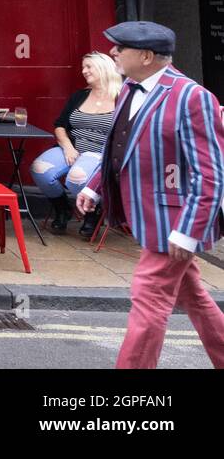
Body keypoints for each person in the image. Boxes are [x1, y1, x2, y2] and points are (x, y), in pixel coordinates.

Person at [77, 21, 224, 369]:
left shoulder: (192, 97)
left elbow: (211, 173)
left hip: (172, 221)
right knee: (194, 297)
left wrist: (188, 231)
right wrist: (94, 186)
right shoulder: (130, 87)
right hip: (145, 216)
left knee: (148, 305)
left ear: (145, 56)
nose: (112, 52)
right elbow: (119, 145)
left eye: (119, 48)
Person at [29, 52, 120, 236]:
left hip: (100, 153)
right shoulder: (80, 96)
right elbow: (60, 126)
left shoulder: (121, 98)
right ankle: (62, 208)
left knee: (76, 177)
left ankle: (92, 212)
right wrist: (68, 147)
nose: (84, 71)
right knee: (39, 168)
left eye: (88, 67)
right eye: (83, 67)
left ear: (104, 68)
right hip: (73, 148)